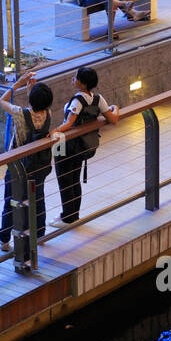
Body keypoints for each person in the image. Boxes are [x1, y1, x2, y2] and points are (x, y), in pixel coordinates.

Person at [51, 66, 118, 225]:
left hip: (66, 144)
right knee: (74, 179)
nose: (73, 80)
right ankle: (73, 216)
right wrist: (116, 108)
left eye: (75, 78)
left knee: (64, 179)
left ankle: (67, 218)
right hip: (83, 145)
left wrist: (54, 131)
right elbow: (113, 119)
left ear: (82, 84)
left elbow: (69, 123)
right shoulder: (98, 99)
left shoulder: (77, 100)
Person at [0, 71, 54, 252]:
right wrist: (32, 90)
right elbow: (36, 105)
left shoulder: (20, 114)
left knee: (11, 200)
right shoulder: (48, 114)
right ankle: (40, 233)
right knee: (38, 198)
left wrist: (19, 83)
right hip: (39, 165)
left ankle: (4, 240)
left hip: (18, 166)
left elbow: (2, 101)